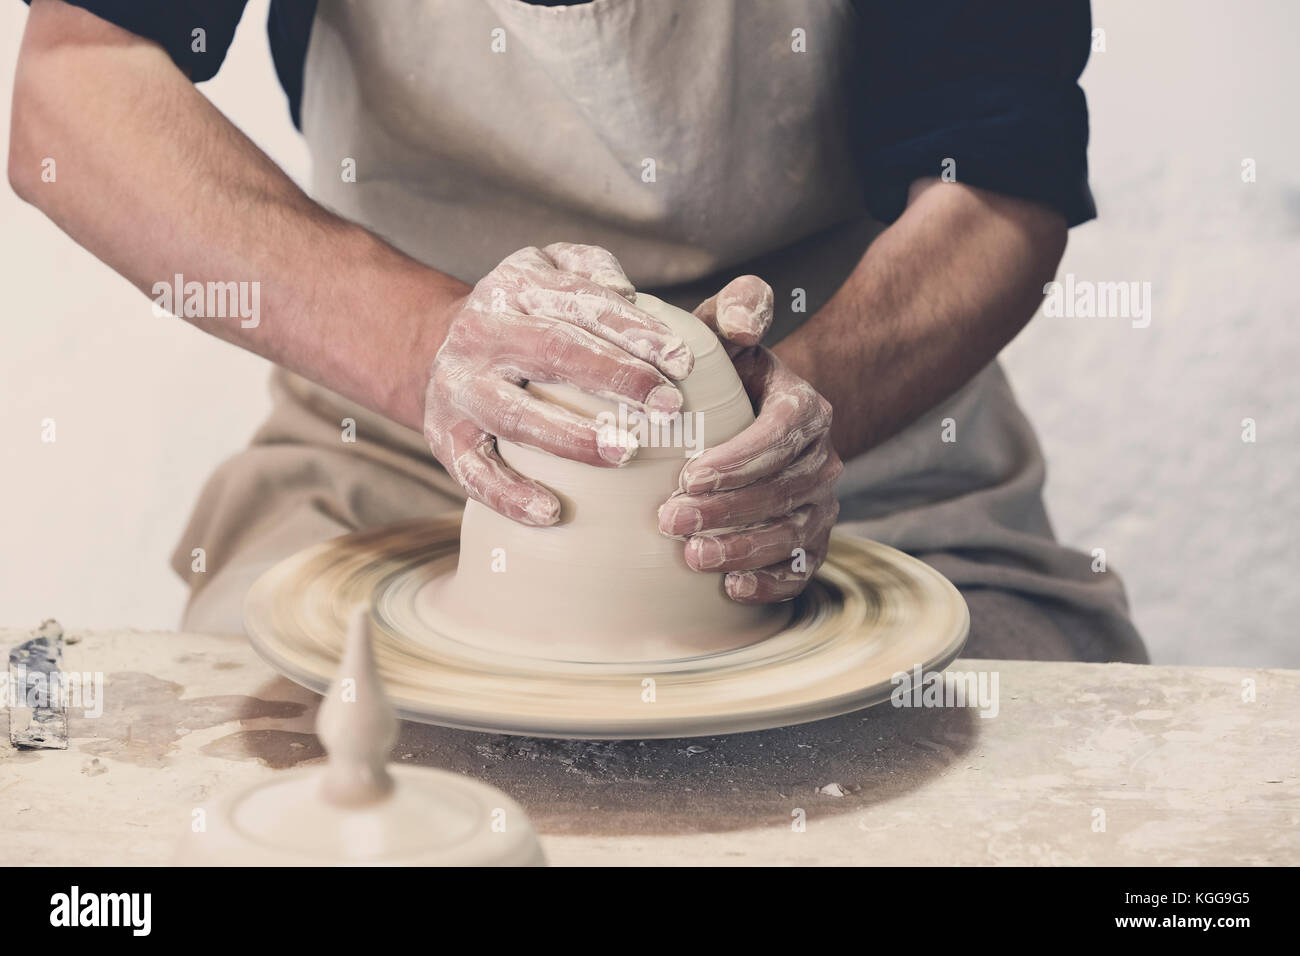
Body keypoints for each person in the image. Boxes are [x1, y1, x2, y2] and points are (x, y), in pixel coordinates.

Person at [8, 0, 1146, 662]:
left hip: (854, 453)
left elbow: (999, 179)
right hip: (401, 450)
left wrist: (800, 413)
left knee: (1005, 766)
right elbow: (72, 93)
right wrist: (432, 352)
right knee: (262, 769)